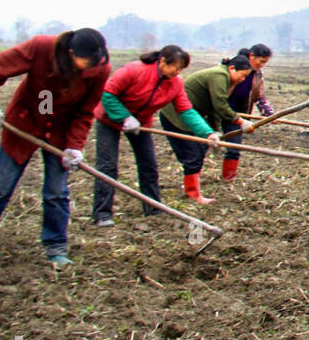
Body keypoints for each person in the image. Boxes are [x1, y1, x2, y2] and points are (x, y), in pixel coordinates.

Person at [0, 29, 110, 268]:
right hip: (25, 123)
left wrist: (75, 146)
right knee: (1, 185)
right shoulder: (40, 48)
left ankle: (56, 247)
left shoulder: (100, 69)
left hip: (61, 132)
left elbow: (85, 112)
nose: (86, 69)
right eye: (83, 63)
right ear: (70, 52)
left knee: (57, 192)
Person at [91, 44, 218, 226]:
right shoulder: (133, 71)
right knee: (108, 166)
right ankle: (102, 214)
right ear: (162, 61)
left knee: (148, 165)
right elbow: (108, 95)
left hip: (141, 124)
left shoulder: (175, 83)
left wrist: (207, 133)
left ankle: (152, 208)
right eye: (175, 66)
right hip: (109, 120)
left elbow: (186, 111)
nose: (177, 71)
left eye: (181, 68)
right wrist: (124, 116)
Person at [157, 55, 253, 203]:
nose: (243, 80)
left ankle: (191, 187)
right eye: (242, 75)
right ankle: (193, 194)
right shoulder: (219, 75)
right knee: (192, 155)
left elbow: (213, 109)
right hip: (176, 116)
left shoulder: (226, 79)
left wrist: (214, 132)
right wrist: (240, 121)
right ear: (232, 68)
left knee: (201, 149)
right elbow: (220, 105)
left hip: (192, 117)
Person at [220, 43, 275, 183]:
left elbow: (260, 95)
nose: (262, 65)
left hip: (238, 114)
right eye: (261, 61)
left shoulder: (257, 73)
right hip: (220, 108)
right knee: (203, 143)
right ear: (251, 56)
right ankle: (193, 177)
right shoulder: (233, 67)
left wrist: (269, 113)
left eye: (265, 62)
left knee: (234, 148)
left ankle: (228, 180)